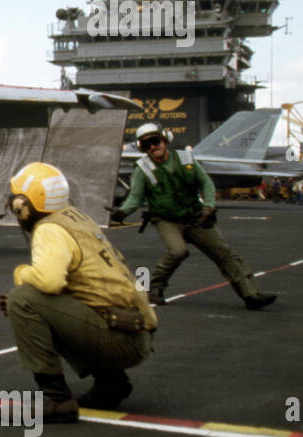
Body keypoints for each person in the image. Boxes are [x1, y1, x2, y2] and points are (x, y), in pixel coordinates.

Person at [0, 162, 157, 419]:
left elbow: (49, 282)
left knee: (22, 300)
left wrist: (21, 274)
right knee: (36, 304)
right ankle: (110, 383)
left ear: (23, 204)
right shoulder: (75, 218)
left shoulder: (49, 229)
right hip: (134, 332)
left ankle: (56, 398)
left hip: (120, 337)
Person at [112, 122, 276, 310]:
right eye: (146, 144)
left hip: (196, 217)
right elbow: (135, 197)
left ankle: (251, 295)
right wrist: (122, 212)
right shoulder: (142, 169)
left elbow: (206, 182)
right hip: (167, 220)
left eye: (155, 141)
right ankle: (154, 288)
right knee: (178, 251)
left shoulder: (186, 159)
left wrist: (208, 207)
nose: (152, 147)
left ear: (165, 140)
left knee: (224, 253)